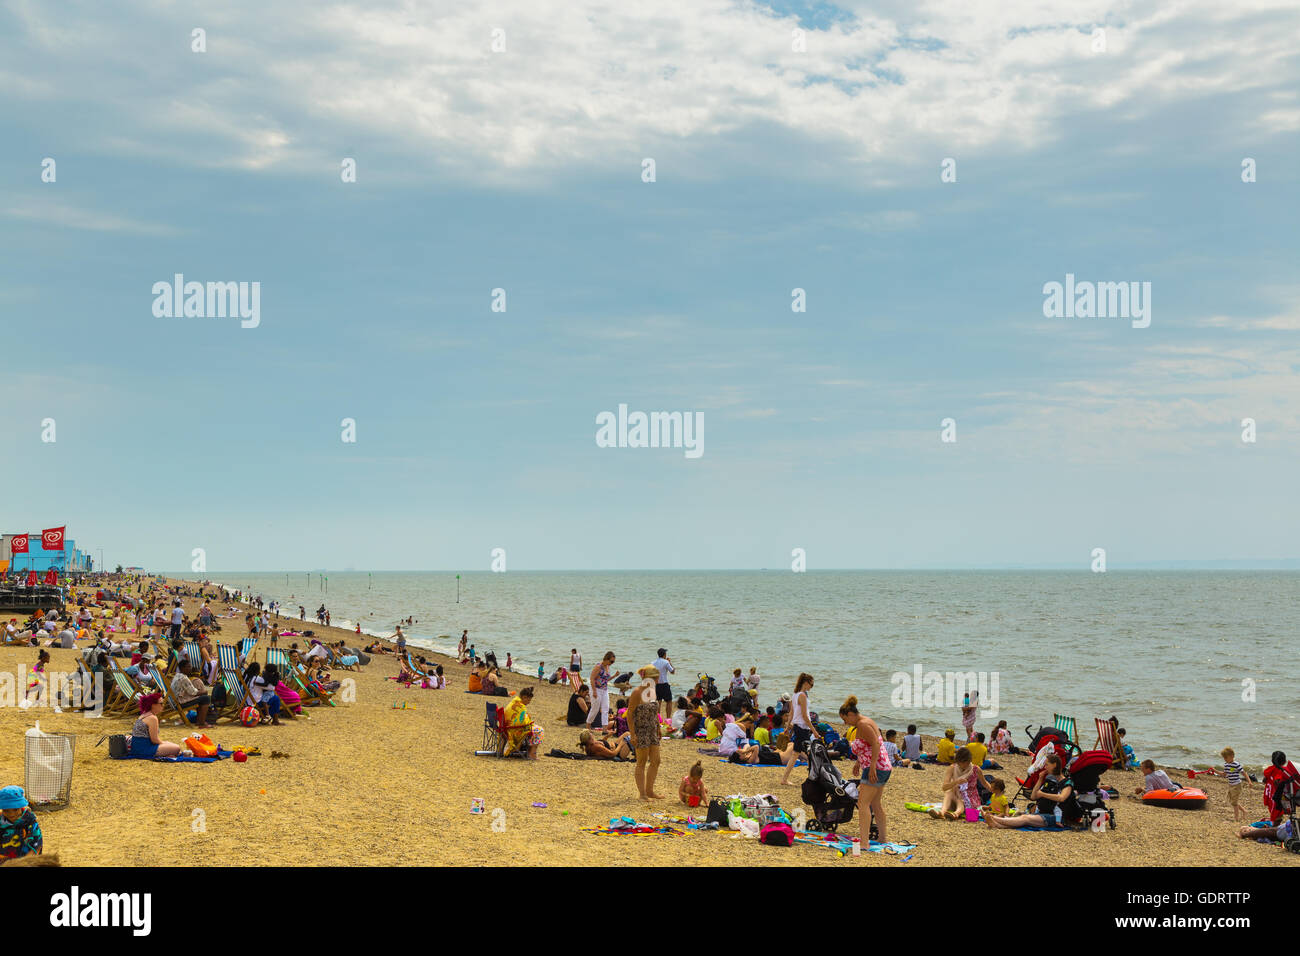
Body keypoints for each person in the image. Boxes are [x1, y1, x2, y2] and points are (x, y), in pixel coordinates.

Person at [840, 695, 891, 845]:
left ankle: (864, 843)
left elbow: (875, 744)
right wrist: (858, 763)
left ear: (850, 714)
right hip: (883, 766)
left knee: (863, 804)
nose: (845, 723)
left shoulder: (862, 725)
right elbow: (868, 746)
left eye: (845, 720)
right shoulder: (867, 722)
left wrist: (872, 767)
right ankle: (882, 838)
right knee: (875, 804)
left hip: (876, 768)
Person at [985, 753, 1075, 829]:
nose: (1045, 767)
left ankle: (995, 819)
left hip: (1056, 817)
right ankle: (996, 824)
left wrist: (1043, 794)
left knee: (1025, 818)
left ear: (1054, 765)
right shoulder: (1050, 780)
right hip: (1043, 813)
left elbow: (1061, 798)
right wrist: (1040, 779)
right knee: (1024, 819)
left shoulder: (1067, 782)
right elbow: (1033, 797)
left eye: (1047, 764)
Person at [930, 746, 993, 820]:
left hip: (970, 799)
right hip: (955, 795)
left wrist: (995, 793)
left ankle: (956, 814)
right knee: (948, 793)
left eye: (965, 762)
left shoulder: (975, 769)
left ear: (969, 761)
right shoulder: (953, 768)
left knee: (961, 800)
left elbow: (984, 783)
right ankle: (942, 813)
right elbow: (944, 787)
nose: (963, 765)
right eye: (960, 762)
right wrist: (956, 782)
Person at [628, 666, 664, 800]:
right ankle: (642, 793)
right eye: (655, 678)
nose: (657, 680)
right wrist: (632, 734)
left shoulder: (652, 691)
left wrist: (658, 727)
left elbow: (655, 713)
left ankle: (650, 791)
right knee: (641, 761)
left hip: (652, 730)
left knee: (656, 760)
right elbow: (629, 715)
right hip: (640, 730)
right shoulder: (637, 692)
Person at [779, 673, 821, 786]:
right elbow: (805, 716)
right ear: (806, 683)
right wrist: (815, 731)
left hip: (798, 727)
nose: (811, 687)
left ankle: (785, 779)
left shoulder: (795, 695)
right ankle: (814, 778)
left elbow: (791, 713)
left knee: (797, 753)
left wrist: (787, 728)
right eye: (811, 685)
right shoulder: (802, 695)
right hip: (802, 727)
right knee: (807, 753)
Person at [131, 693, 183, 758]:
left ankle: (168, 753)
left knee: (169, 744)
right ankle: (168, 753)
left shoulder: (145, 714)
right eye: (161, 703)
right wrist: (166, 745)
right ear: (153, 705)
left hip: (137, 747)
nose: (163, 706)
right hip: (144, 749)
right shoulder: (152, 718)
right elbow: (154, 740)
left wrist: (166, 744)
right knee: (176, 748)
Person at [0, 786, 43, 862]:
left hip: (25, 861)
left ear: (21, 807)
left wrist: (23, 862)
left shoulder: (30, 823)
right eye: (6, 811)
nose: (11, 814)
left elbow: (36, 845)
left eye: (15, 810)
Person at [502, 687, 543, 759]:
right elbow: (523, 722)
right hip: (514, 730)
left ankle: (530, 751)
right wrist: (530, 722)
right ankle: (532, 753)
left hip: (508, 727)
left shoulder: (514, 701)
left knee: (535, 728)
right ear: (524, 697)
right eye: (529, 700)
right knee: (540, 730)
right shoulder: (520, 706)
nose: (529, 702)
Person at [171, 661, 213, 727]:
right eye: (188, 667)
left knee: (202, 698)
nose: (190, 668)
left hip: (175, 702)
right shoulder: (184, 678)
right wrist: (204, 692)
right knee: (206, 698)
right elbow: (193, 693)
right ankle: (201, 723)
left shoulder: (177, 675)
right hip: (180, 703)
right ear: (182, 668)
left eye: (190, 666)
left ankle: (199, 721)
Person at [586, 651, 616, 733]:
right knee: (595, 708)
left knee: (605, 708)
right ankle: (588, 726)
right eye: (611, 661)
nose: (612, 663)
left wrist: (614, 676)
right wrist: (594, 691)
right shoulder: (598, 666)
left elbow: (605, 680)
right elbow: (592, 678)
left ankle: (604, 729)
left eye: (613, 662)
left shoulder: (607, 667)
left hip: (604, 689)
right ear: (606, 659)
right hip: (596, 689)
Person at [1219, 747, 1248, 822]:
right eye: (1224, 758)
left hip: (1237, 785)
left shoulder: (1236, 764)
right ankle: (1244, 811)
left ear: (1232, 756)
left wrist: (1249, 781)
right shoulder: (1226, 765)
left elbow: (1244, 773)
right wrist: (1214, 770)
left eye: (1226, 757)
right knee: (1233, 802)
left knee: (1234, 803)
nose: (1225, 759)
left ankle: (1236, 819)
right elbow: (1224, 774)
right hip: (1231, 785)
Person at [653, 648, 675, 719]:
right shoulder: (666, 662)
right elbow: (672, 671)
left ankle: (658, 718)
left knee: (658, 701)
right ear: (664, 654)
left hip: (656, 684)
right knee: (669, 701)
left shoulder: (653, 663)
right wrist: (669, 662)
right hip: (664, 684)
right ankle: (668, 718)